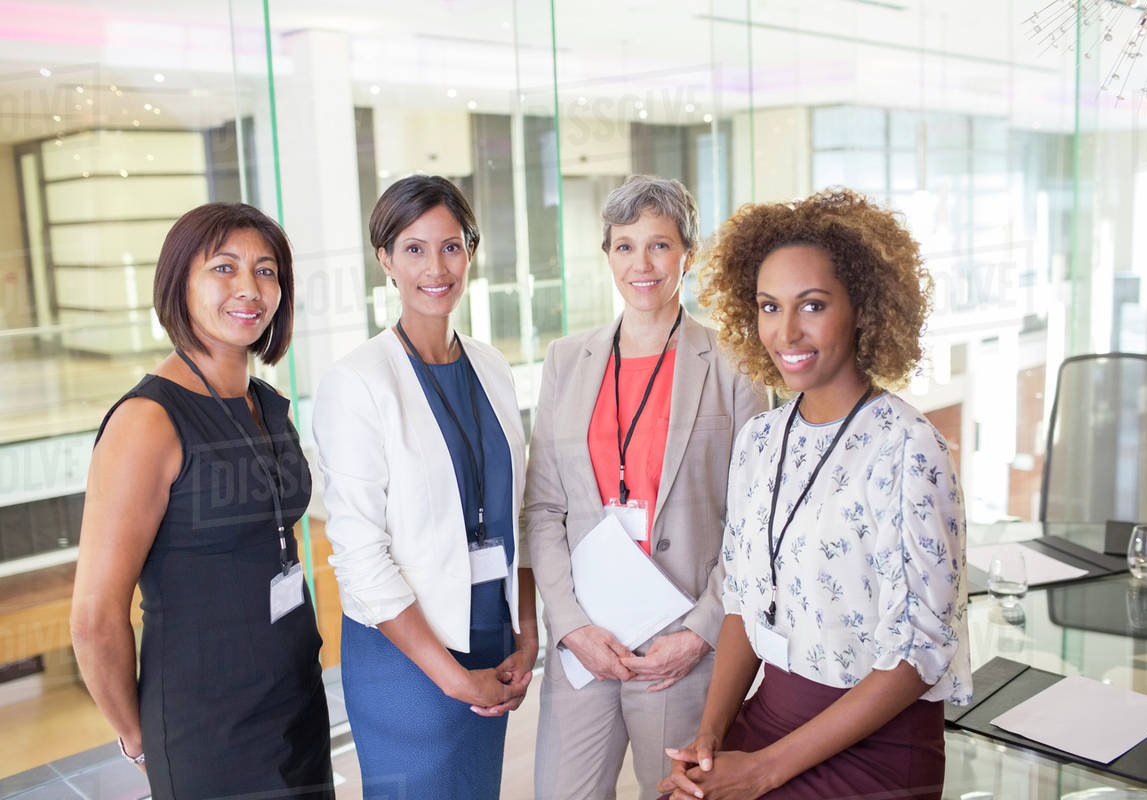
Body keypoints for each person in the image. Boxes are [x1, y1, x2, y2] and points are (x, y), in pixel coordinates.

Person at [659, 189, 972, 800]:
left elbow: (917, 658)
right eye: (769, 307)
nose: (787, 331)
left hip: (876, 746)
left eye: (813, 305)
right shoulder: (759, 440)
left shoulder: (907, 449)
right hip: (770, 721)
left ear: (864, 309)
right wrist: (710, 740)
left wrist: (763, 770)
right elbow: (744, 606)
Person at [70, 203, 333, 798]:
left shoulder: (264, 404)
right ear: (178, 284)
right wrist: (137, 736)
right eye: (224, 268)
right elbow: (92, 619)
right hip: (205, 723)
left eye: (266, 271)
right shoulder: (148, 421)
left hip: (295, 699)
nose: (250, 288)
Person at [525, 174, 767, 799]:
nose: (642, 263)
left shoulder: (736, 365)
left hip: (679, 644)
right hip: (587, 639)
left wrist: (702, 631)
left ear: (689, 253)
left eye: (659, 245)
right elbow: (544, 508)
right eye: (625, 245)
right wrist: (570, 623)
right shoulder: (564, 360)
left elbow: (753, 521)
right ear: (607, 254)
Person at [311, 175, 538, 800]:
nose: (435, 267)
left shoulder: (491, 366)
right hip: (407, 659)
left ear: (471, 251)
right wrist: (453, 679)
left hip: (490, 635)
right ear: (384, 259)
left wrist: (528, 631)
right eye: (413, 249)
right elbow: (359, 555)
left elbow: (513, 516)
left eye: (451, 246)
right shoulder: (357, 381)